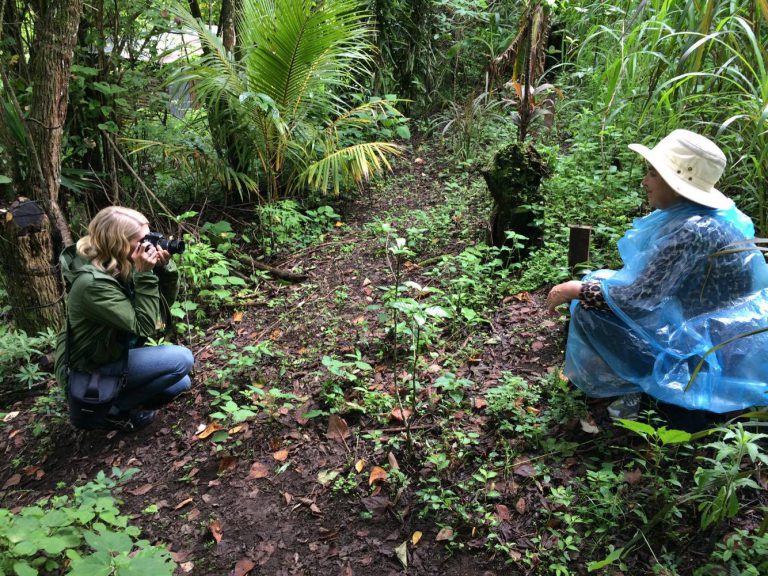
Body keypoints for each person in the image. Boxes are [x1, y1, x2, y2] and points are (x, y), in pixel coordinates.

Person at [546, 129, 768, 427]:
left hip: (707, 352)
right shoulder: (703, 220)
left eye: (652, 174)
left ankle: (642, 386)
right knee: (599, 282)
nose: (645, 181)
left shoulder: (691, 230)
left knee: (589, 311)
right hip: (717, 339)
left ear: (677, 185)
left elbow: (637, 300)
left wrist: (573, 289)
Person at [54, 206, 194, 432]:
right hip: (89, 369)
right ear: (117, 242)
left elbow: (160, 309)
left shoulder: (119, 263)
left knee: (181, 382)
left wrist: (163, 268)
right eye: (142, 239)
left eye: (150, 235)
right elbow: (144, 325)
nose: (149, 244)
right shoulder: (92, 284)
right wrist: (145, 274)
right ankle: (108, 410)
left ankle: (117, 399)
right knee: (181, 359)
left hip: (112, 354)